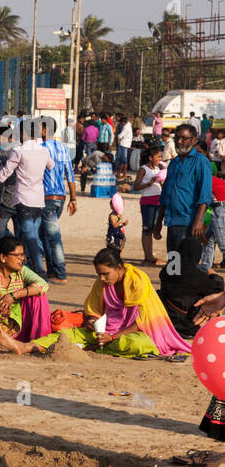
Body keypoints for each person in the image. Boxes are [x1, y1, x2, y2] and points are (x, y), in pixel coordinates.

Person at [35, 248, 192, 358]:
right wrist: (92, 322)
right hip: (105, 332)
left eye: (105, 274)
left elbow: (142, 321)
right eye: (99, 274)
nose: (102, 278)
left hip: (135, 333)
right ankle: (30, 346)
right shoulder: (101, 283)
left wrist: (113, 337)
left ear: (119, 268)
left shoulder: (138, 280)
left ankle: (97, 348)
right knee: (68, 334)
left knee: (138, 344)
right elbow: (92, 310)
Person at [0, 120, 54, 277]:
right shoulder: (44, 151)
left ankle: (39, 271)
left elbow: (2, 176)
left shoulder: (19, 151)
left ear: (23, 133)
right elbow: (51, 166)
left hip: (22, 199)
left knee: (26, 238)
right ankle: (25, 269)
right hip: (38, 201)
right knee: (26, 236)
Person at [161, 125, 212, 255]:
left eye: (184, 139)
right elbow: (166, 193)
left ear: (194, 140)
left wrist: (198, 221)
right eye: (177, 138)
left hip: (189, 222)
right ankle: (174, 275)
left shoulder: (201, 162)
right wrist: (158, 223)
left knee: (185, 264)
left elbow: (205, 195)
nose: (179, 141)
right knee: (173, 264)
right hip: (172, 221)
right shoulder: (174, 162)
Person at [38, 117, 78, 282]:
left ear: (45, 130)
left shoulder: (40, 149)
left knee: (53, 235)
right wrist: (73, 199)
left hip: (46, 197)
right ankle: (53, 270)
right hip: (61, 197)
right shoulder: (63, 148)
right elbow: (70, 174)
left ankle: (60, 272)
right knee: (45, 233)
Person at [159, 238, 223, 339]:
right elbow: (218, 287)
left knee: (159, 293)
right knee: (212, 296)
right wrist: (212, 273)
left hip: (165, 322)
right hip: (188, 326)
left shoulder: (166, 271)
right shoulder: (196, 276)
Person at [132, 142, 165, 267]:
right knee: (147, 229)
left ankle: (150, 256)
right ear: (151, 157)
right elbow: (135, 187)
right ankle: (147, 257)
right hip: (147, 202)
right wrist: (148, 183)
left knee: (152, 229)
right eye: (158, 157)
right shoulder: (143, 169)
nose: (160, 159)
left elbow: (160, 185)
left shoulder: (158, 169)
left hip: (158, 201)